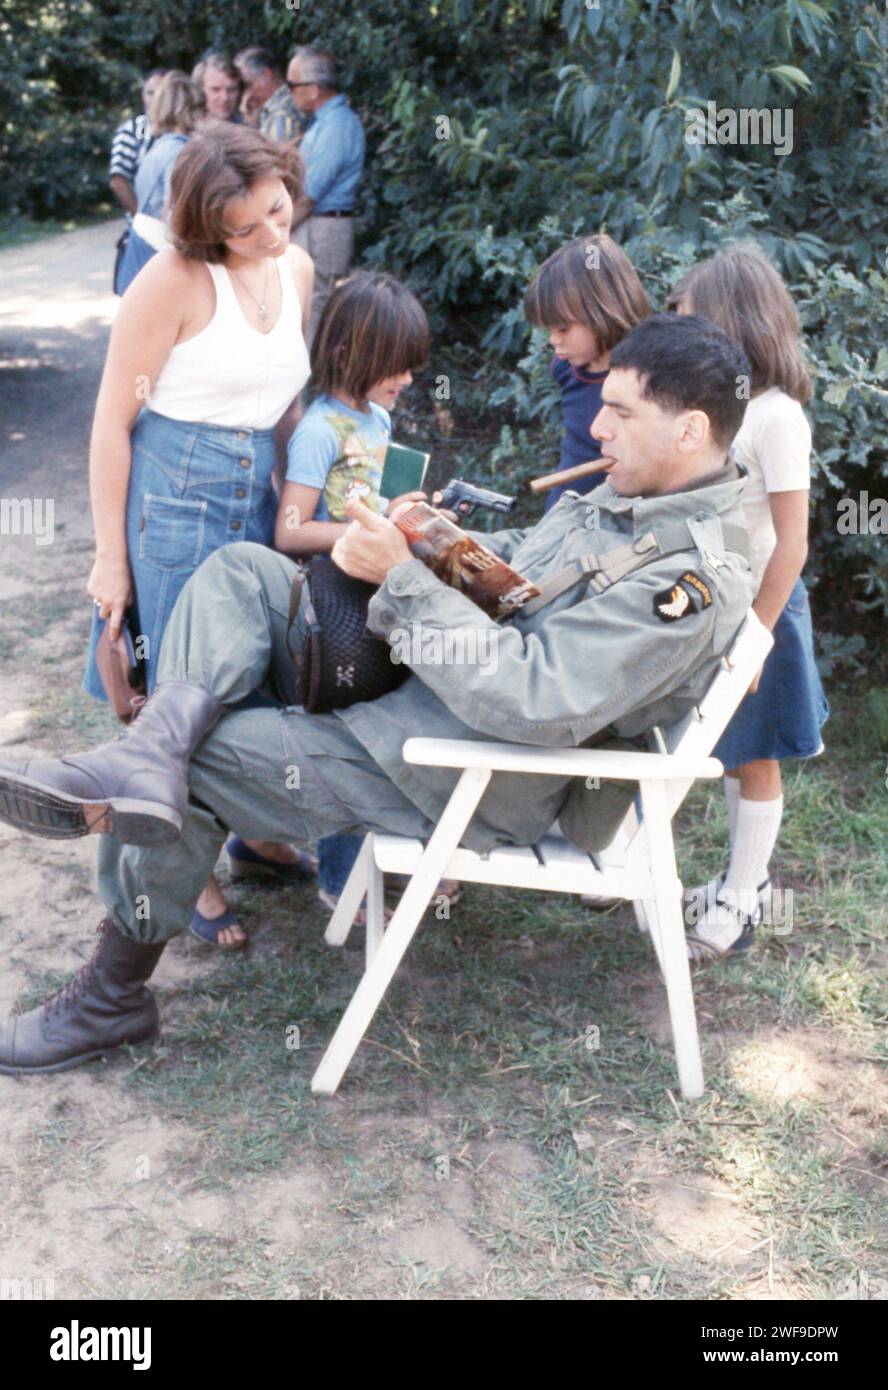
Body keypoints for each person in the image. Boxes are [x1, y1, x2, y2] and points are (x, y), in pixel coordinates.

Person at [0, 313, 759, 1077]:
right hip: (432, 691)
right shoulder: (628, 491)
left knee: (202, 760)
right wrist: (430, 543)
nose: (598, 427)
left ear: (691, 430)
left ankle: (111, 995)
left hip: (478, 766)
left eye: (622, 412)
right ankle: (146, 754)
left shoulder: (687, 582)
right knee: (240, 572)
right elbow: (522, 583)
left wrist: (397, 578)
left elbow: (535, 700)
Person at [81, 123, 316, 950]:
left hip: (260, 487)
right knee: (181, 691)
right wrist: (112, 558)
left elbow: (286, 400)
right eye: (243, 228)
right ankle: (190, 875)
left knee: (263, 673)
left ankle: (252, 837)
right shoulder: (168, 281)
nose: (269, 236)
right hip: (176, 490)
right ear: (202, 222)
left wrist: (302, 493)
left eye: (278, 212)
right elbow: (112, 423)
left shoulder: (297, 267)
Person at [275, 269, 452, 920]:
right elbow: (289, 529)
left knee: (384, 725)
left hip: (377, 597)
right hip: (334, 605)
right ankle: (340, 876)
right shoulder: (321, 428)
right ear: (351, 354)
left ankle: (395, 855)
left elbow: (387, 498)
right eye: (397, 367)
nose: (407, 381)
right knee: (342, 733)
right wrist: (366, 527)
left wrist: (412, 514)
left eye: (412, 369)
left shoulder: (377, 418)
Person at [667, 246, 828, 959]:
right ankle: (744, 882)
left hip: (766, 613)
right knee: (732, 752)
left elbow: (792, 543)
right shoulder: (728, 411)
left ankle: (741, 898)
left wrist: (756, 636)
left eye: (698, 323)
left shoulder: (777, 417)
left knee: (757, 759)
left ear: (736, 323)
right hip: (728, 607)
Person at [524, 234, 651, 511]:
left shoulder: (649, 379)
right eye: (549, 329)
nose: (554, 340)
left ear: (602, 311)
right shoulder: (566, 368)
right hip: (561, 515)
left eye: (563, 328)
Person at [286, 46, 365, 343]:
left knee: (316, 311)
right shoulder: (323, 123)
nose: (289, 92)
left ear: (314, 89)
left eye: (293, 86)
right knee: (304, 308)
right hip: (316, 225)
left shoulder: (338, 125)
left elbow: (309, 193)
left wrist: (278, 231)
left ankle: (307, 385)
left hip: (326, 227)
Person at [115, 71, 202, 295]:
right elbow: (174, 213)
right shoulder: (178, 151)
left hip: (140, 253)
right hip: (157, 261)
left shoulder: (158, 148)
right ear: (190, 109)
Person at [109, 68, 168, 294]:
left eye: (161, 93)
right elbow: (118, 179)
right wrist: (141, 219)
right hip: (143, 234)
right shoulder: (137, 128)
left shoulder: (177, 129)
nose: (154, 99)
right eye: (150, 93)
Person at [234, 46, 303, 143]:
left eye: (248, 84)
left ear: (266, 75)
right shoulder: (288, 102)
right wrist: (253, 124)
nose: (246, 94)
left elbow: (270, 157)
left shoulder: (281, 114)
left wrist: (249, 129)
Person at [192, 52, 243, 124]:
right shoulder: (183, 131)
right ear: (199, 90)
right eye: (216, 89)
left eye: (231, 90)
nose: (225, 98)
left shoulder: (248, 129)